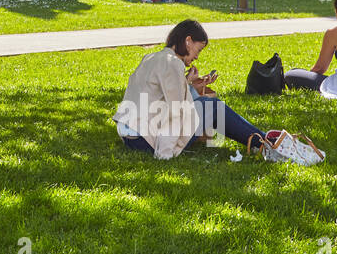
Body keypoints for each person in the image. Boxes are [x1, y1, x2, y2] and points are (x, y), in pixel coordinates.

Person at [114, 19, 272, 159]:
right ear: (188, 41)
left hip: (129, 136)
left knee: (203, 102)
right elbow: (175, 111)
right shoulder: (173, 63)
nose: (197, 56)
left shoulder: (151, 58)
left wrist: (187, 83)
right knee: (214, 106)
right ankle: (266, 142)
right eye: (199, 50)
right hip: (145, 141)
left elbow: (154, 95)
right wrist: (165, 154)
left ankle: (261, 139)